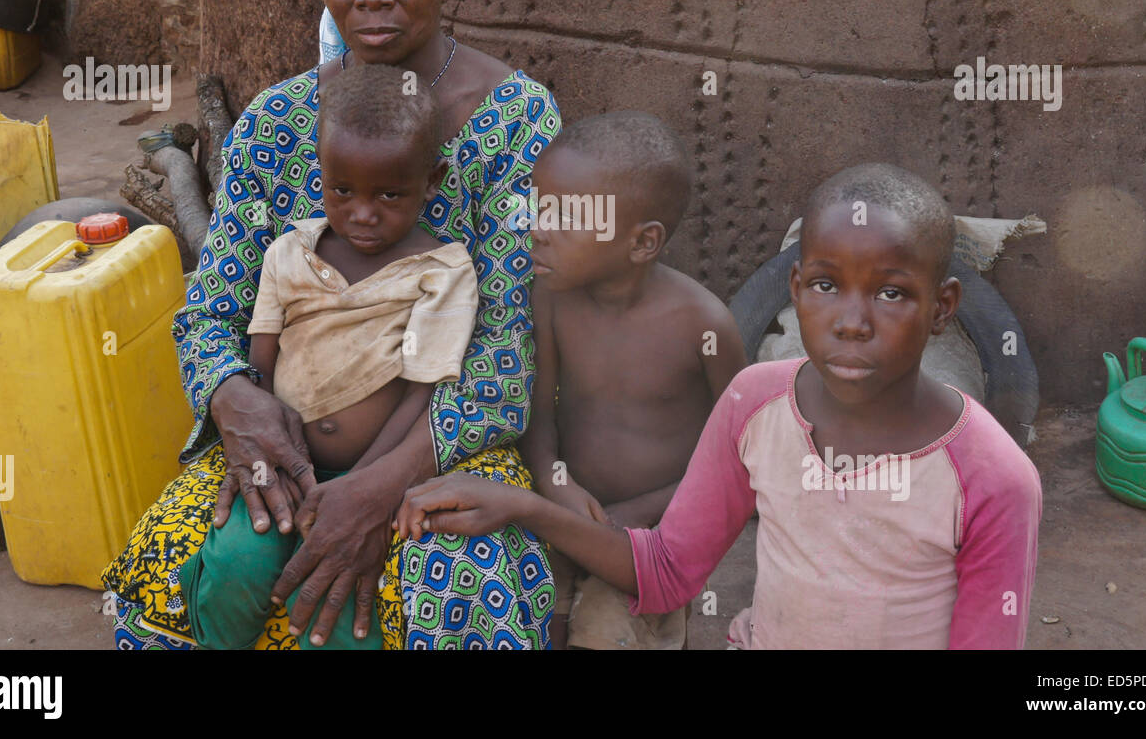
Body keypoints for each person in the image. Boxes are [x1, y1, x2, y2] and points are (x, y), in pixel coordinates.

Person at [103, 0, 561, 650]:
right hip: (287, 437)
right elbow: (211, 314)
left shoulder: (516, 124)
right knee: (175, 565)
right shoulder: (277, 123)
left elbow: (502, 357)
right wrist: (239, 404)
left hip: (440, 439)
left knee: (465, 583)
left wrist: (382, 485)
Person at [396, 163, 1044, 649]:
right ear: (795, 290)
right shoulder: (755, 404)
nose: (851, 321)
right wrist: (522, 505)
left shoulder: (993, 478)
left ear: (944, 308)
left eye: (892, 294)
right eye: (825, 285)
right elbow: (669, 570)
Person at [179, 64, 479, 649]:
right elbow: (259, 361)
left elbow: (423, 392)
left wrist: (366, 484)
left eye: (389, 195)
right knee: (235, 566)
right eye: (343, 191)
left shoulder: (443, 274)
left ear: (433, 179)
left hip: (367, 473)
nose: (363, 213)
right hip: (283, 466)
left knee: (341, 619)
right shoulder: (290, 253)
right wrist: (267, 461)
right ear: (322, 177)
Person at [519, 112, 746, 648]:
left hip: (654, 537)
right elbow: (539, 419)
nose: (537, 230)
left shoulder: (703, 325)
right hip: (570, 512)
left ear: (642, 243)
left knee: (605, 632)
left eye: (565, 219)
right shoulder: (550, 299)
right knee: (531, 616)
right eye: (538, 207)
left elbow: (741, 455)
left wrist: (634, 514)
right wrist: (558, 486)